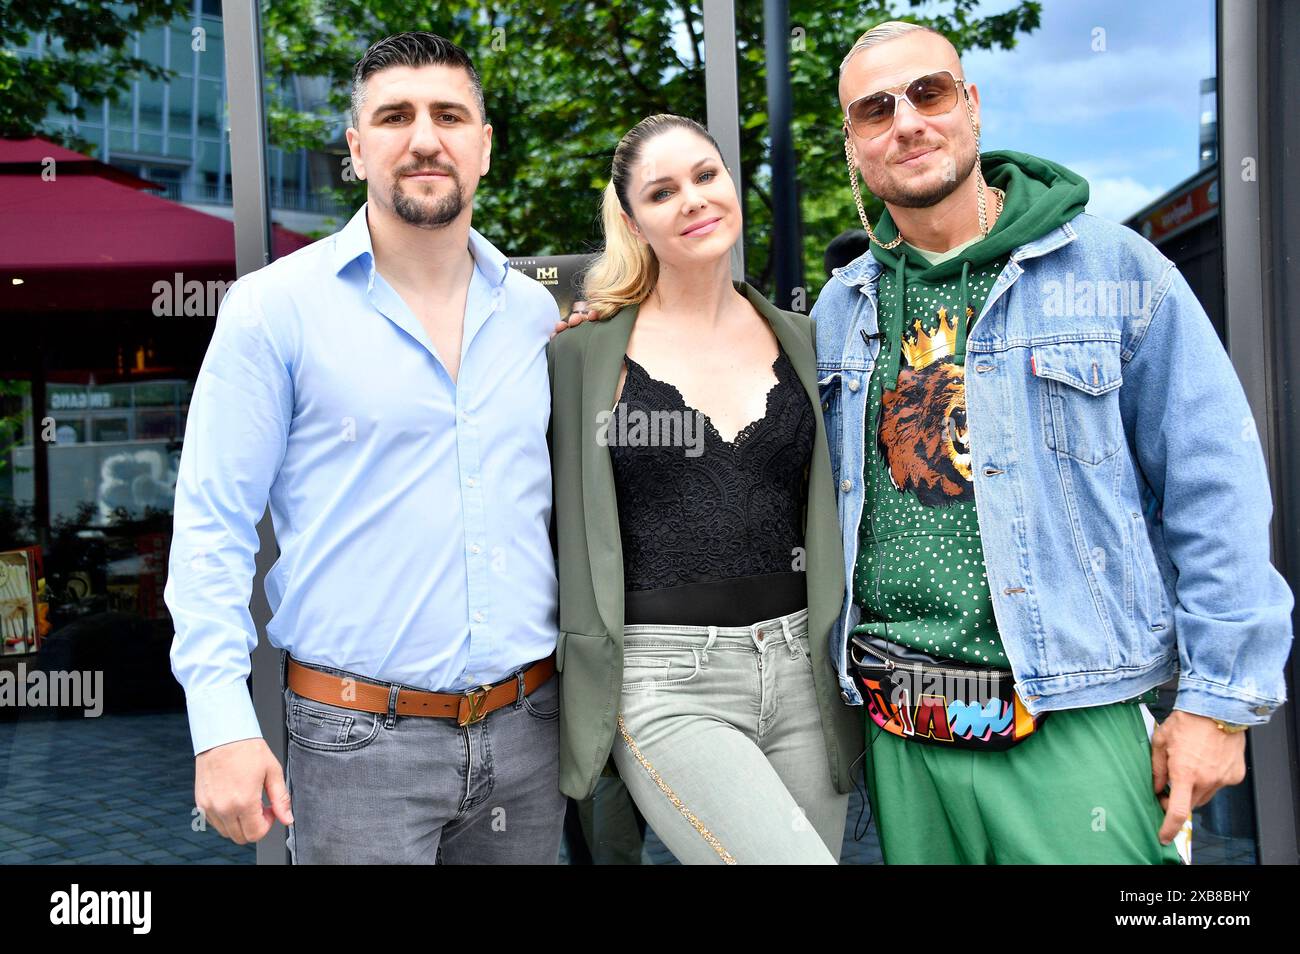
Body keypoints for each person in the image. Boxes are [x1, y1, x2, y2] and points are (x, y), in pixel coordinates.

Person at [811, 20, 1293, 863]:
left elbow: (1215, 483)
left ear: (972, 105)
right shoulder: (839, 311)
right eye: (875, 109)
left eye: (929, 93)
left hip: (1068, 716)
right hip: (903, 727)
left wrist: (1219, 702)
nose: (907, 123)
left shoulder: (1112, 270)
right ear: (854, 145)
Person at [165, 32, 567, 863]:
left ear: (484, 145)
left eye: (449, 114)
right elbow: (211, 527)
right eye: (395, 116)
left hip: (530, 733)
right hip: (357, 745)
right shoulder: (272, 309)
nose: (424, 138)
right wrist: (219, 724)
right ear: (357, 148)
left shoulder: (535, 316)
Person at [547, 114, 863, 864]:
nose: (692, 199)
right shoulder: (583, 354)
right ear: (633, 222)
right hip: (664, 683)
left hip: (804, 672)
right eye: (662, 192)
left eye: (705, 175)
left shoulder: (804, 336)